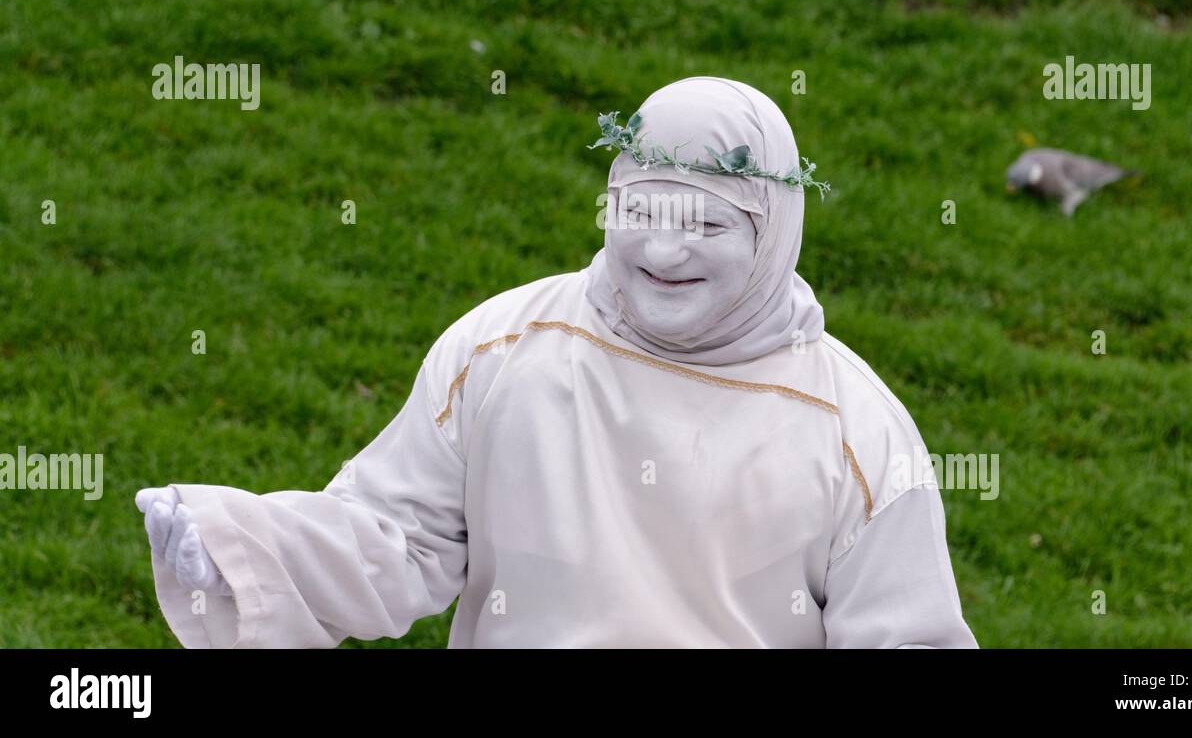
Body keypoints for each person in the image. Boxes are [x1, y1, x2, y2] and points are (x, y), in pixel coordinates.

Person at [136, 76, 979, 648]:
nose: (662, 246)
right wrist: (242, 542)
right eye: (636, 207)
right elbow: (403, 534)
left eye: (707, 222)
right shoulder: (505, 347)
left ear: (773, 234)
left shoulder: (856, 432)